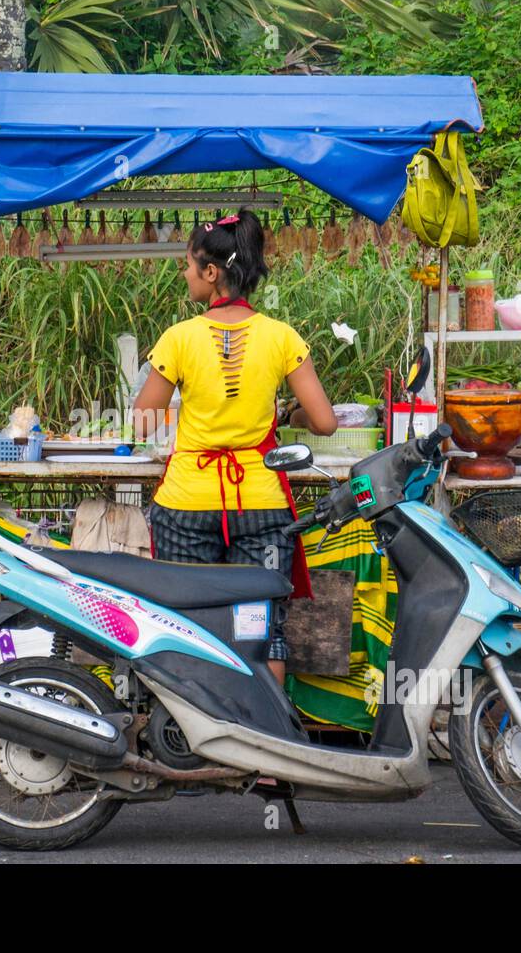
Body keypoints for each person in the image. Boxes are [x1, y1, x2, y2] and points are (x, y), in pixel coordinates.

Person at [132, 208, 337, 685]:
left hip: (187, 503)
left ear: (211, 272)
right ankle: (269, 737)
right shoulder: (281, 337)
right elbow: (324, 422)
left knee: (187, 624)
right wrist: (288, 415)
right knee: (261, 628)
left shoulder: (179, 338)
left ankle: (196, 738)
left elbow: (143, 422)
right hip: (261, 503)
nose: (184, 275)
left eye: (188, 265)